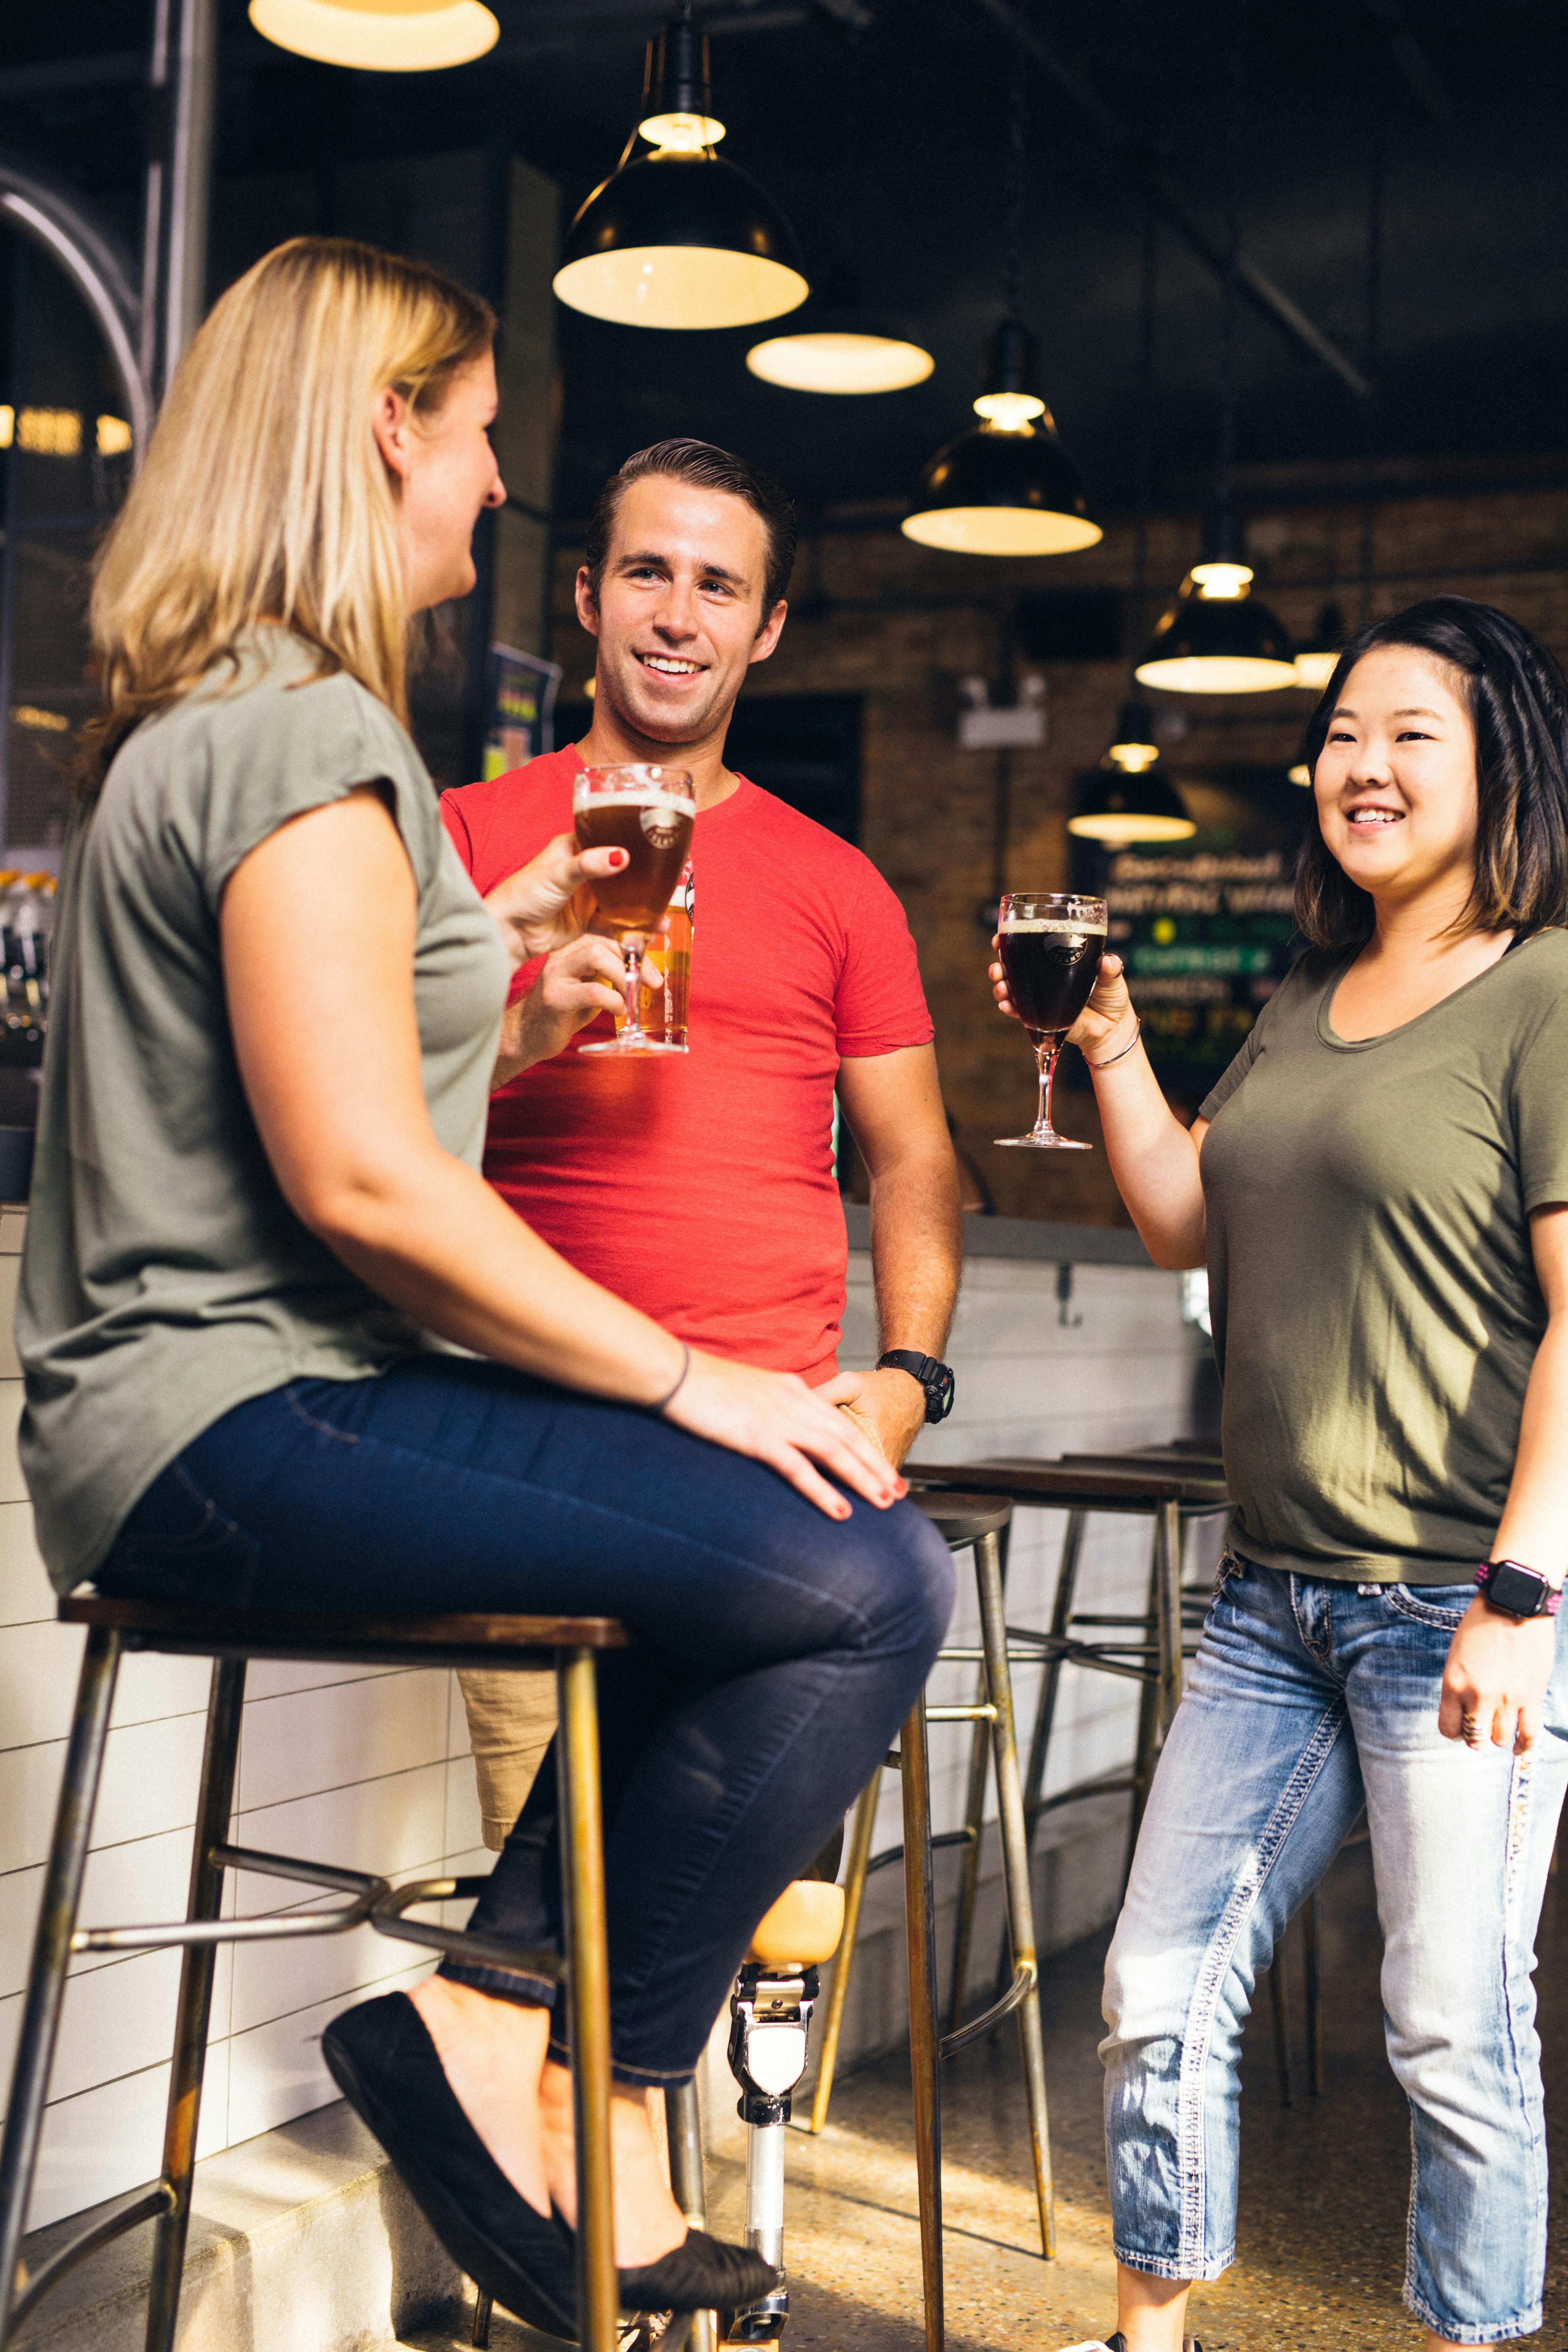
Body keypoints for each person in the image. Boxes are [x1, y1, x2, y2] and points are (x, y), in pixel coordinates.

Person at [16, 236, 953, 2337]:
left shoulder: (243, 710)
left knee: (805, 1565)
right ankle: (501, 2020)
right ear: (387, 432)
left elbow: (324, 1093)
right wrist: (694, 1381)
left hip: (201, 1418)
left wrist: (496, 987)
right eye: (479, 433)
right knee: (867, 1576)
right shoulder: (310, 728)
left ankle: (525, 2038)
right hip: (232, 1419)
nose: (500, 484)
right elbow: (362, 1182)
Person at [993, 598, 1568, 2352]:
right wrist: (1107, 1041)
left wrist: (1520, 1593)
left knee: (1449, 2026)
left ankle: (1470, 2337)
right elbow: (1185, 1218)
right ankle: (1148, 2336)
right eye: (1339, 736)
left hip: (1454, 1602)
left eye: (1408, 734)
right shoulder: (1307, 992)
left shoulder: (1548, 991)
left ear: (1500, 765)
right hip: (1269, 1603)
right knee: (1153, 1990)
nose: (1359, 767)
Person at [445, 436, 962, 1846]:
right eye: (647, 575)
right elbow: (363, 1118)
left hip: (778, 1442)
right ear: (587, 596)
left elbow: (913, 1158)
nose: (679, 617)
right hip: (533, 1429)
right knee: (562, 1896)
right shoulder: (465, 838)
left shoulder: (839, 884)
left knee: (748, 1900)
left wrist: (910, 1375)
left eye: (718, 587)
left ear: (767, 627)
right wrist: (522, 1022)